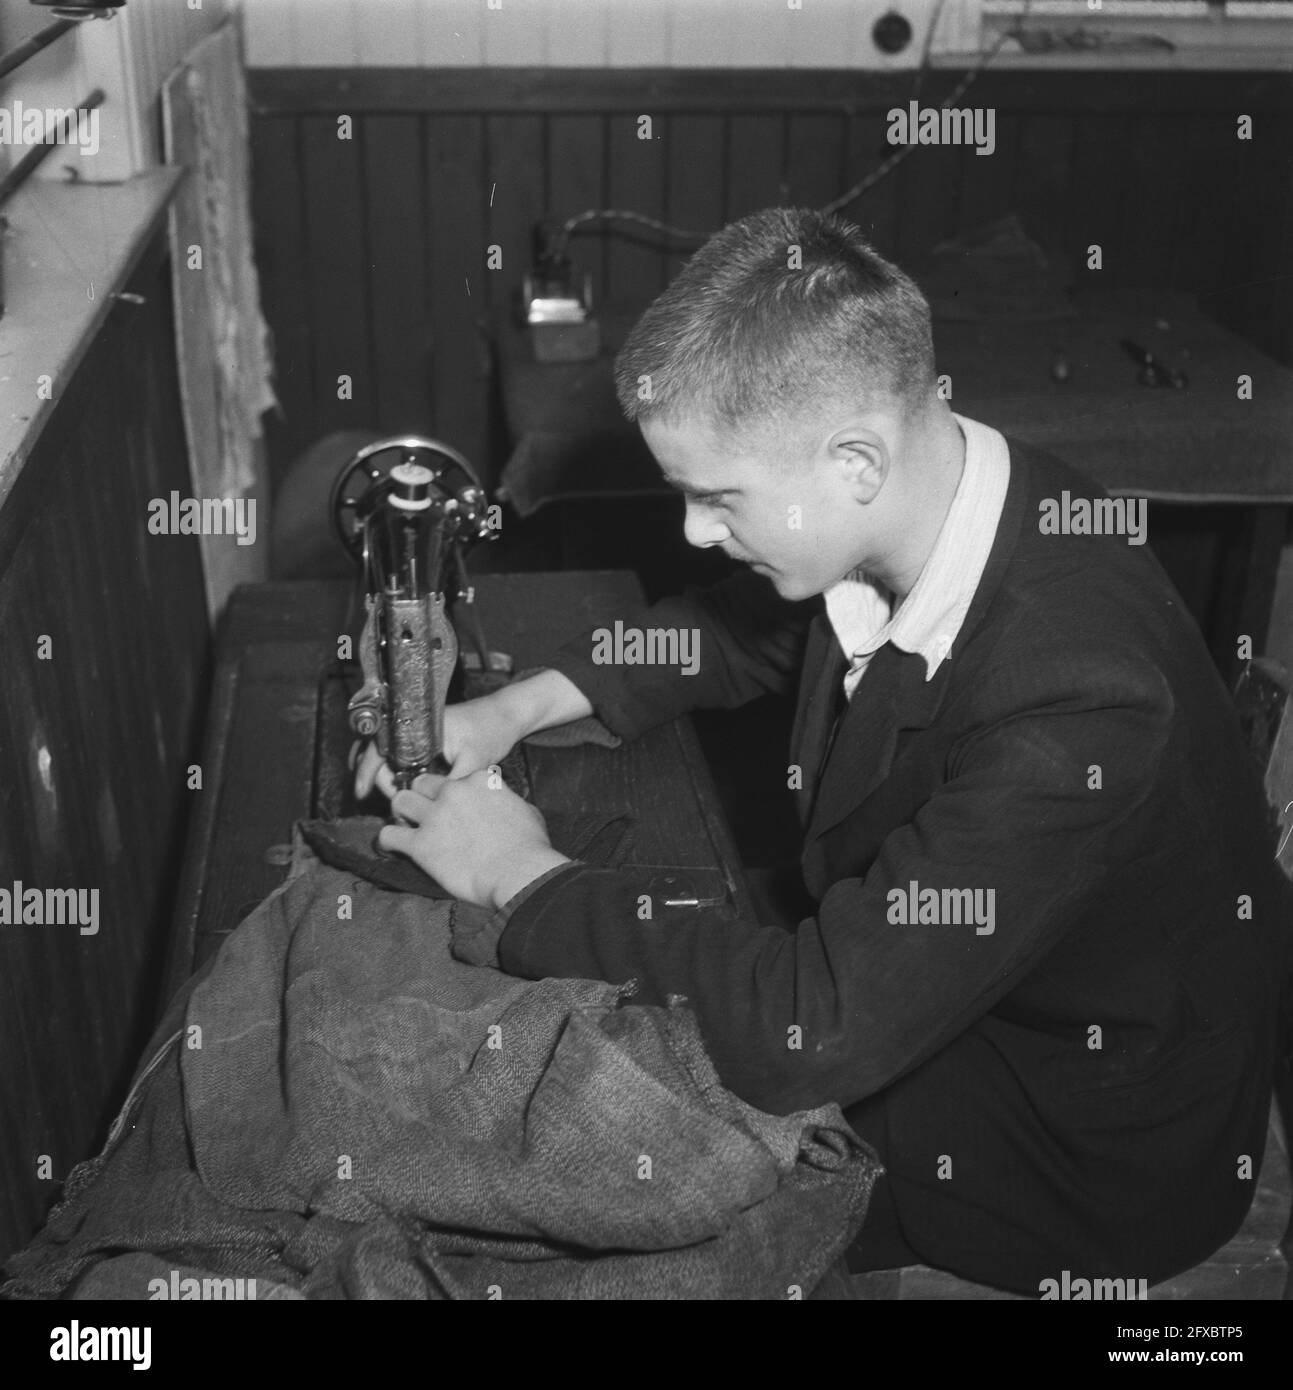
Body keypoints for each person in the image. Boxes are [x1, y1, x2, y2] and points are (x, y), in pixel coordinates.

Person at [355, 207, 1286, 1295]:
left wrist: (518, 874)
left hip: (1077, 1140)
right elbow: (735, 631)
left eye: (719, 498)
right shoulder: (937, 493)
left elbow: (811, 1027)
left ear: (853, 460)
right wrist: (509, 710)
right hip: (966, 996)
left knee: (583, 1188)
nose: (698, 531)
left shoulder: (1083, 696)